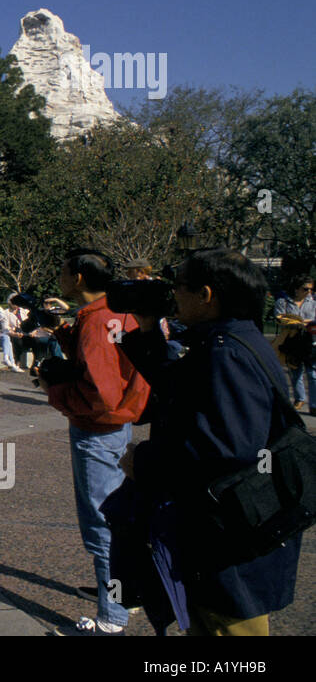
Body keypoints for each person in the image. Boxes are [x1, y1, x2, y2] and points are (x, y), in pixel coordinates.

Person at [120, 249, 301, 636]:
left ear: (206, 294)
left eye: (179, 287)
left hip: (229, 540)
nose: (173, 296)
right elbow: (178, 388)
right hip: (229, 533)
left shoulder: (227, 352)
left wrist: (146, 462)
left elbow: (228, 448)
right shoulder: (231, 339)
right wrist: (150, 328)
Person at [42, 249, 151, 635]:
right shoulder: (116, 311)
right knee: (116, 517)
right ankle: (125, 595)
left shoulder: (98, 320)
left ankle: (110, 619)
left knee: (103, 526)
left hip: (97, 428)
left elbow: (100, 394)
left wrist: (54, 390)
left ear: (80, 279)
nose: (59, 277)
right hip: (117, 426)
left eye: (62, 270)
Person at [274, 274, 316, 412]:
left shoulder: (314, 302)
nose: (309, 292)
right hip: (291, 340)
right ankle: (300, 399)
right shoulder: (283, 302)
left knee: (312, 374)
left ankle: (314, 405)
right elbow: (280, 318)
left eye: (311, 289)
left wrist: (297, 321)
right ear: (296, 289)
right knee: (295, 371)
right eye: (305, 289)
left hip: (310, 340)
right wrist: (303, 322)